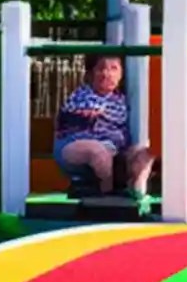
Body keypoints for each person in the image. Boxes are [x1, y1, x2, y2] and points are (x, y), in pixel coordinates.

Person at [53, 55, 155, 198]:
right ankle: (107, 195)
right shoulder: (81, 94)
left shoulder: (121, 101)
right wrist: (86, 115)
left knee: (145, 153)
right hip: (77, 144)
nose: (107, 74)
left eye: (113, 69)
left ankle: (137, 190)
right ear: (91, 73)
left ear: (121, 75)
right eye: (101, 69)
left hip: (115, 148)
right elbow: (65, 120)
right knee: (98, 151)